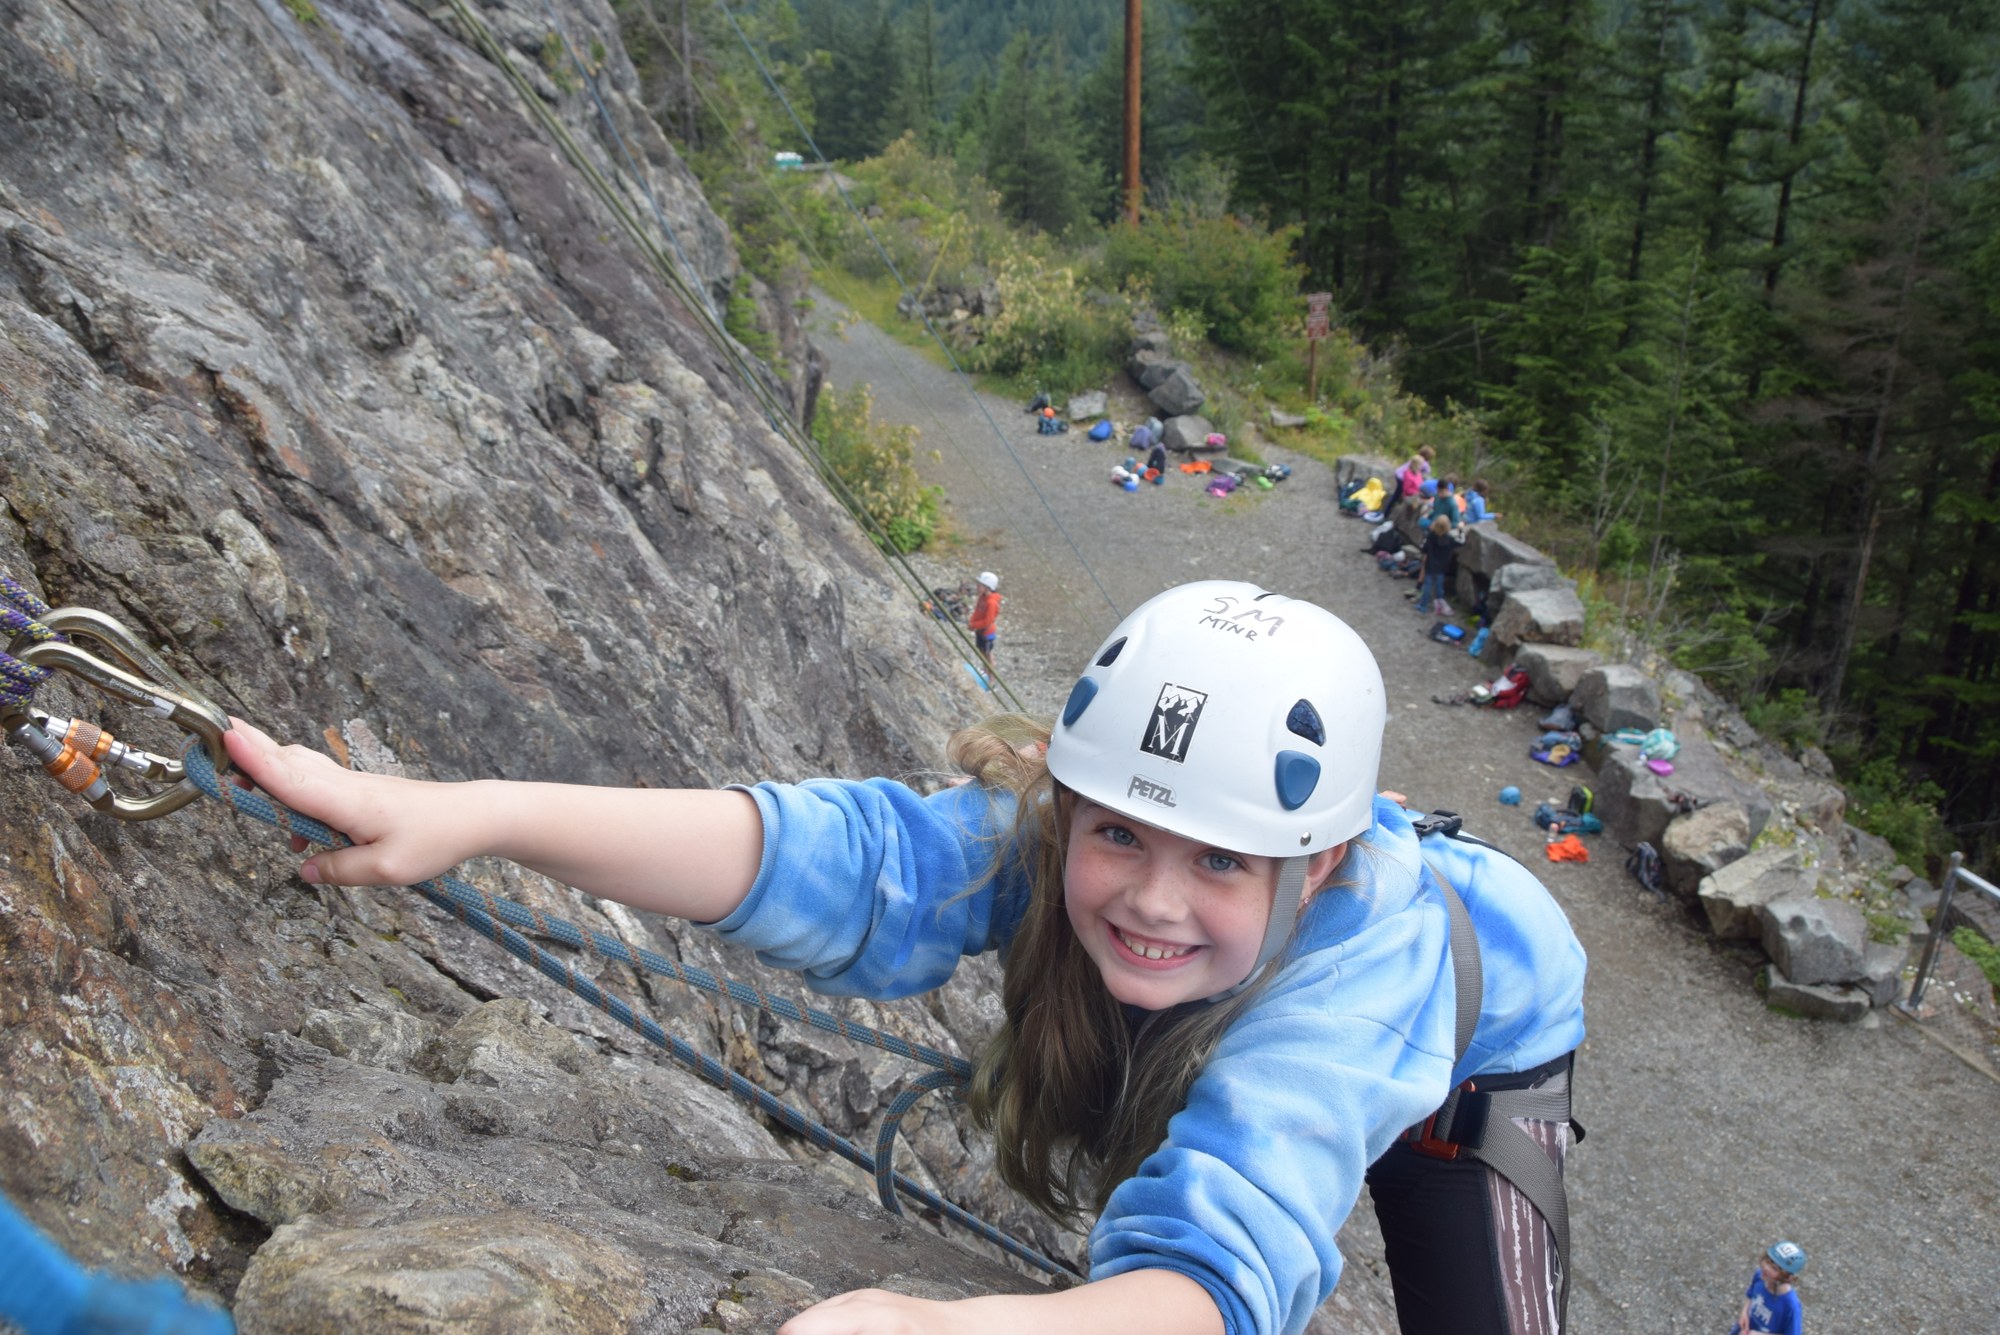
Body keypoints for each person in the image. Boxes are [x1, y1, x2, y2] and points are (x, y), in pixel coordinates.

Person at [221, 581, 1587, 1335]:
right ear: (1072, 796)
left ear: (1323, 866)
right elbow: (827, 862)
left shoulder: (1359, 972)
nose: (1158, 893)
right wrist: (477, 813)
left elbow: (1223, 1267)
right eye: (1122, 833)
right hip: (1244, 990)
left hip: (1472, 1072)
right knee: (1162, 982)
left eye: (1222, 857)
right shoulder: (1061, 847)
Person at [1730, 1241, 1806, 1335]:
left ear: (1786, 1277)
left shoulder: (1791, 1305)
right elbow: (1750, 1295)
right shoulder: (1760, 1276)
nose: (1766, 1267)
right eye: (1767, 1261)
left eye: (1774, 1268)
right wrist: (1744, 1313)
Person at [1415, 514, 1457, 617]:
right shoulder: (1450, 539)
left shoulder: (1431, 536)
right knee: (1439, 586)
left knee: (1428, 585)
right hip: (1443, 566)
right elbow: (1459, 543)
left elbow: (1424, 549)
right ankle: (1439, 604)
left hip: (1431, 564)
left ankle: (1423, 605)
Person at [967, 571, 1002, 670]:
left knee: (988, 655)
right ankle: (985, 671)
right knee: (981, 652)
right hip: (980, 630)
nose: (977, 587)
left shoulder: (991, 603)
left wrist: (974, 625)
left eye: (980, 585)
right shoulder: (982, 598)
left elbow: (988, 620)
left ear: (987, 587)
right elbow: (977, 611)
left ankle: (991, 678)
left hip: (987, 632)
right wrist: (972, 622)